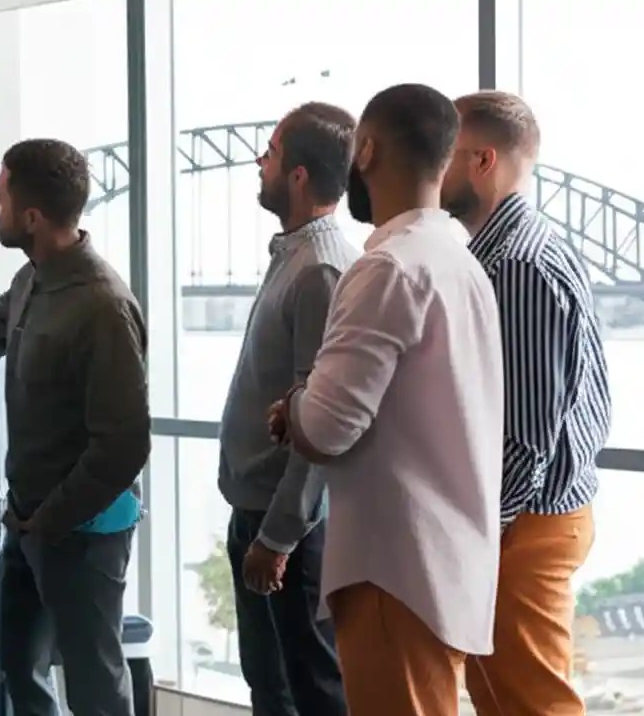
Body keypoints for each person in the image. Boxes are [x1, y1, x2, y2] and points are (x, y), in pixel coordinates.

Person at [268, 83, 505, 716]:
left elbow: (328, 425)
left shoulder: (388, 268)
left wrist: (292, 407)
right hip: (446, 561)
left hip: (393, 566)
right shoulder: (459, 261)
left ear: (366, 151)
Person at [0, 138, 150, 716]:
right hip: (31, 521)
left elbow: (123, 445)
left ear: (32, 216)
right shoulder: (31, 279)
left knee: (94, 683)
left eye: (0, 195)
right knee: (15, 659)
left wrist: (52, 517)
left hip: (83, 530)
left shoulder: (102, 305)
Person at [442, 90, 611, 716]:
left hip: (524, 526)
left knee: (530, 705)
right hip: (535, 519)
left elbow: (523, 436)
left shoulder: (515, 264)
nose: (431, 167)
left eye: (445, 152)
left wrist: (479, 535)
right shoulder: (523, 248)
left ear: (482, 161)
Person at [216, 102, 355, 716]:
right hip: (260, 514)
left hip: (289, 528)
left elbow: (322, 420)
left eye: (270, 153)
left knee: (310, 691)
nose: (259, 161)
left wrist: (276, 538)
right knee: (269, 686)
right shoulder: (295, 255)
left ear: (297, 175)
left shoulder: (320, 270)